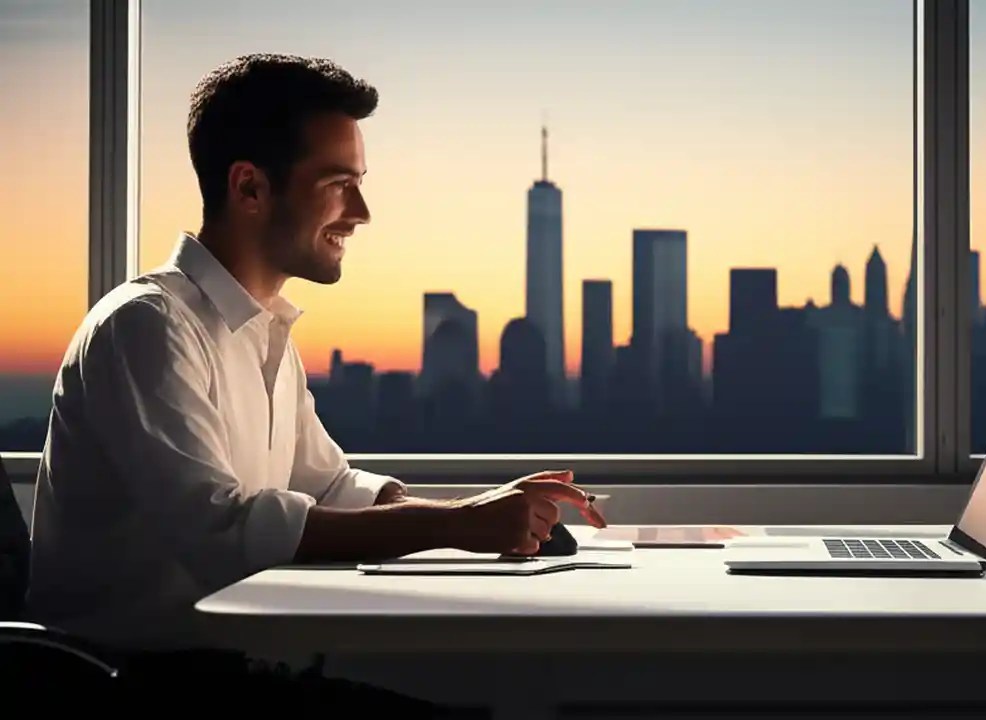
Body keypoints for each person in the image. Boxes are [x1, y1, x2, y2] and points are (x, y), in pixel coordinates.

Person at [22, 53, 606, 705]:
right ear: (249, 188)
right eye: (338, 183)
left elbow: (328, 485)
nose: (360, 211)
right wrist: (455, 525)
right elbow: (223, 534)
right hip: (139, 684)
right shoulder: (148, 328)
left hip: (227, 668)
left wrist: (486, 509)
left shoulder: (261, 329)